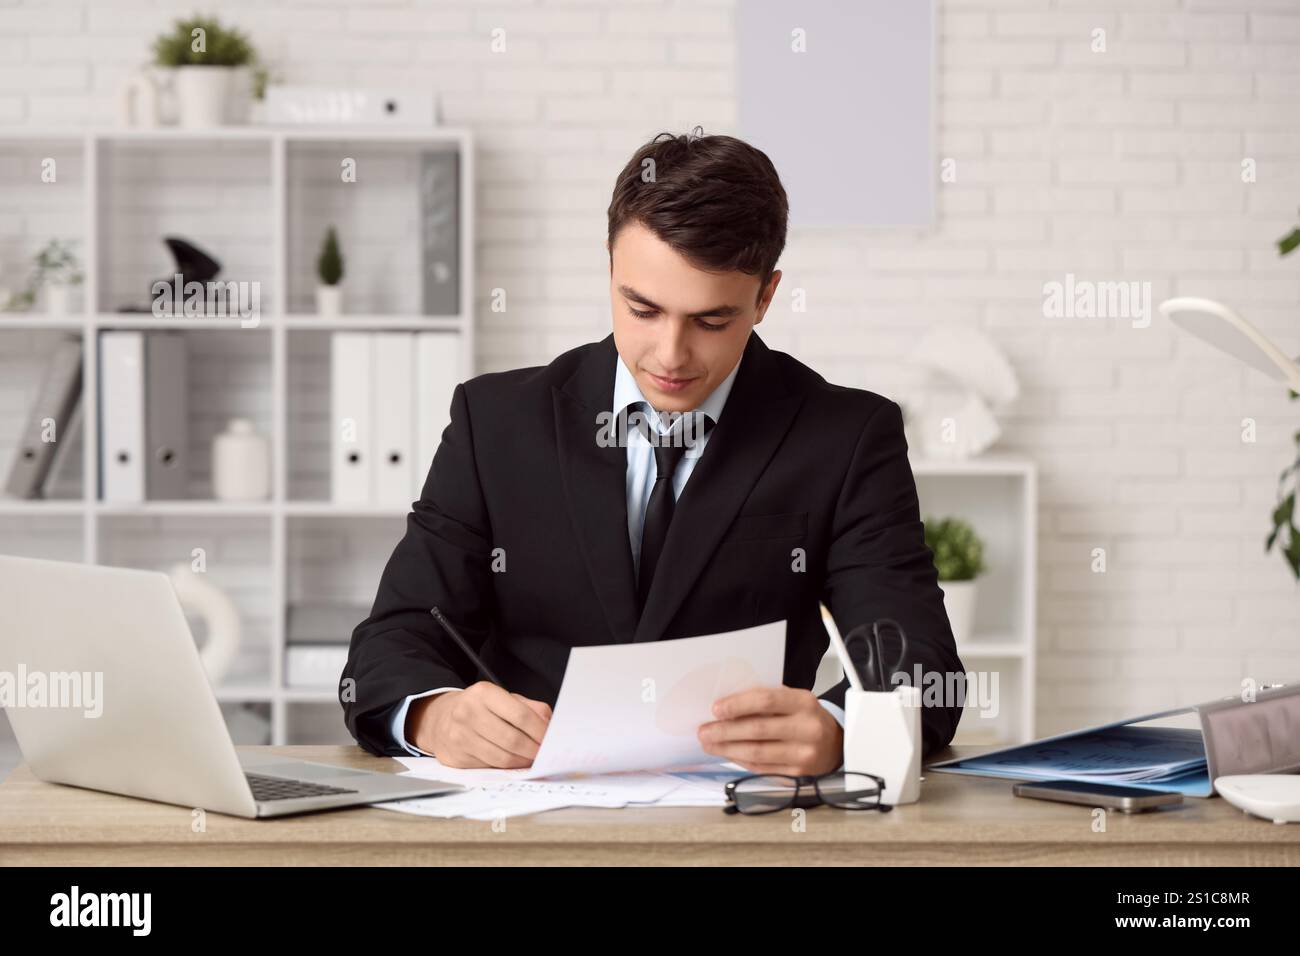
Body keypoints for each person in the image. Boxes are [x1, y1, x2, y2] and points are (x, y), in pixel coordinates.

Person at [341, 130, 964, 775]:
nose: (670, 355)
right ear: (610, 268)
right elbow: (393, 640)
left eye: (712, 321)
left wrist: (842, 729)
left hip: (746, 824)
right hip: (530, 822)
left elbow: (924, 667)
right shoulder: (495, 423)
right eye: (642, 308)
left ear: (766, 297)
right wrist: (433, 715)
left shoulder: (847, 437)